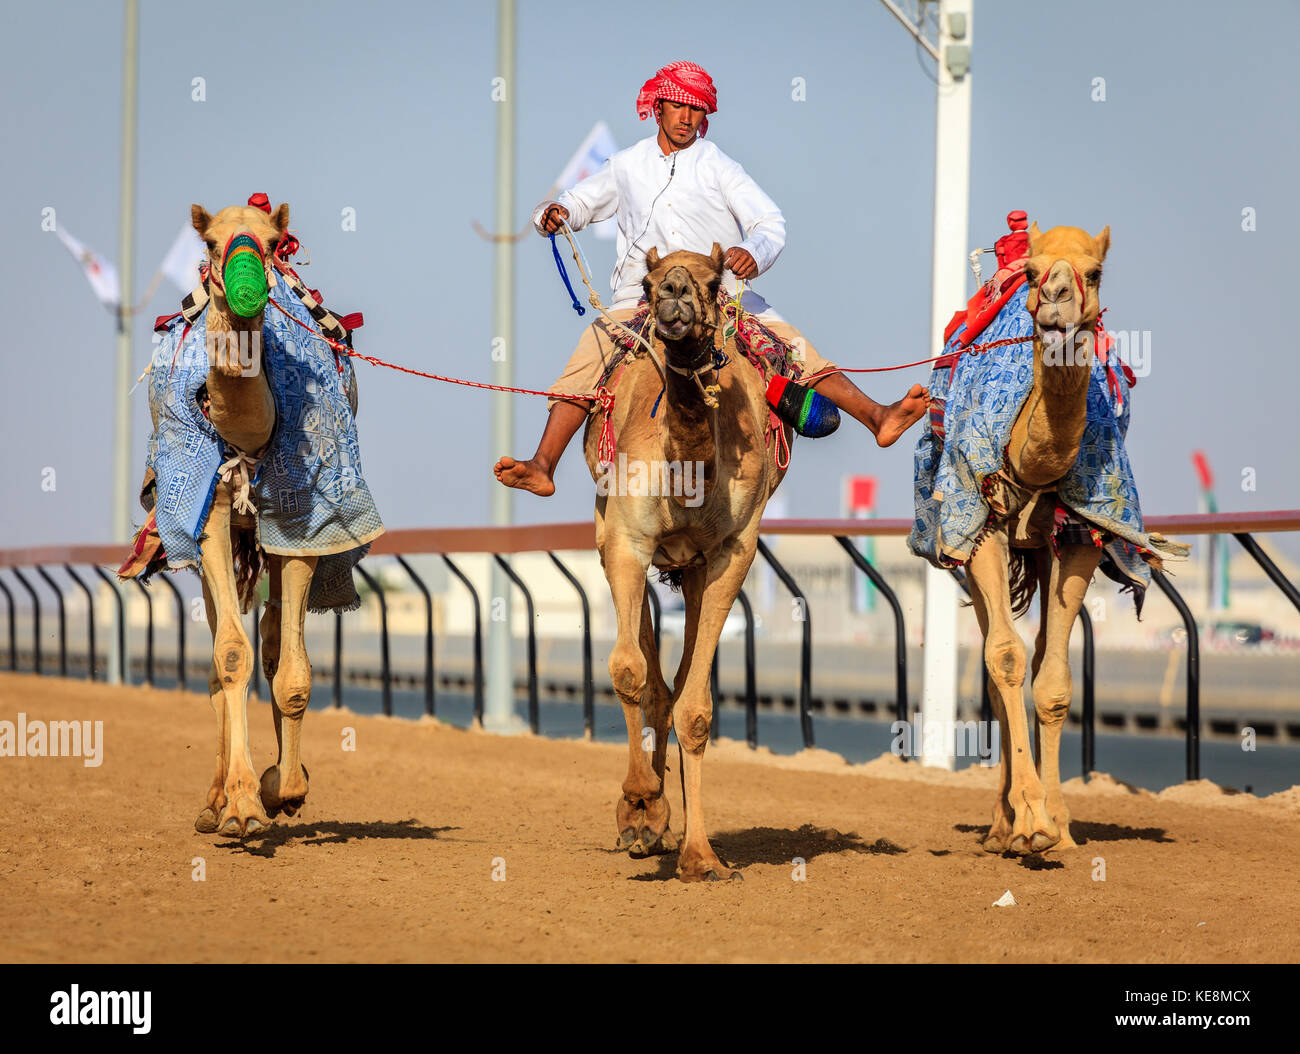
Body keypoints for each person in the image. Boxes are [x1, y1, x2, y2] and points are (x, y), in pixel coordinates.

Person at [494, 60, 928, 497]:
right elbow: (578, 202)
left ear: (706, 116)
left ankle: (877, 417)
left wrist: (752, 253)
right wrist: (554, 214)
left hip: (719, 296)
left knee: (793, 348)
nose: (687, 118)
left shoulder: (718, 165)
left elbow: (769, 223)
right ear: (658, 107)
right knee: (591, 355)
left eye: (697, 109)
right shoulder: (626, 165)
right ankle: (543, 464)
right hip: (642, 298)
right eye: (679, 106)